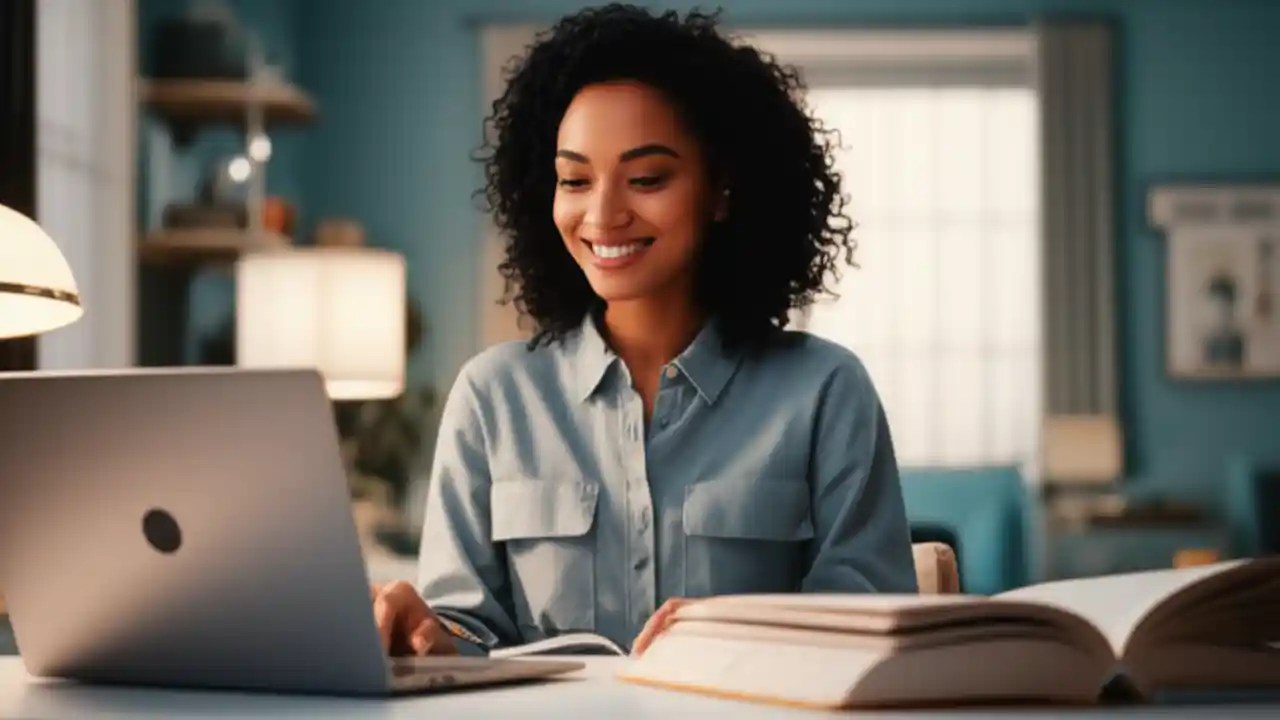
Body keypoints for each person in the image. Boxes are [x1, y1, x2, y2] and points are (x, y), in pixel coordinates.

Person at [370, 3, 917, 658]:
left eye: (647, 178)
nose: (602, 214)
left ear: (721, 189)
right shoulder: (493, 399)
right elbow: (470, 642)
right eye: (574, 179)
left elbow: (869, 631)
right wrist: (424, 634)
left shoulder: (825, 392)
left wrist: (728, 635)